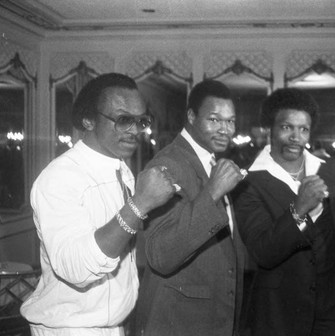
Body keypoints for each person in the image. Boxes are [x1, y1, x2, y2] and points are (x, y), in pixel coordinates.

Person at [21, 73, 177, 336]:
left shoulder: (122, 170)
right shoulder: (60, 177)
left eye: (141, 121)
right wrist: (139, 203)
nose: (134, 130)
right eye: (123, 119)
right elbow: (77, 269)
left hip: (112, 326)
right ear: (88, 120)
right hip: (71, 329)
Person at [232, 88, 335, 336]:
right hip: (280, 314)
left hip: (333, 309)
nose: (296, 137)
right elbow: (263, 251)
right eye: (287, 127)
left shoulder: (329, 168)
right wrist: (299, 208)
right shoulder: (248, 181)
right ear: (270, 129)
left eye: (303, 129)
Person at [135, 80, 247, 336]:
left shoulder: (209, 160)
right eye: (215, 120)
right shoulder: (168, 163)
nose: (225, 129)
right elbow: (160, 255)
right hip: (178, 321)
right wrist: (213, 192)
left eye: (230, 121)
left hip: (209, 320)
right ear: (191, 116)